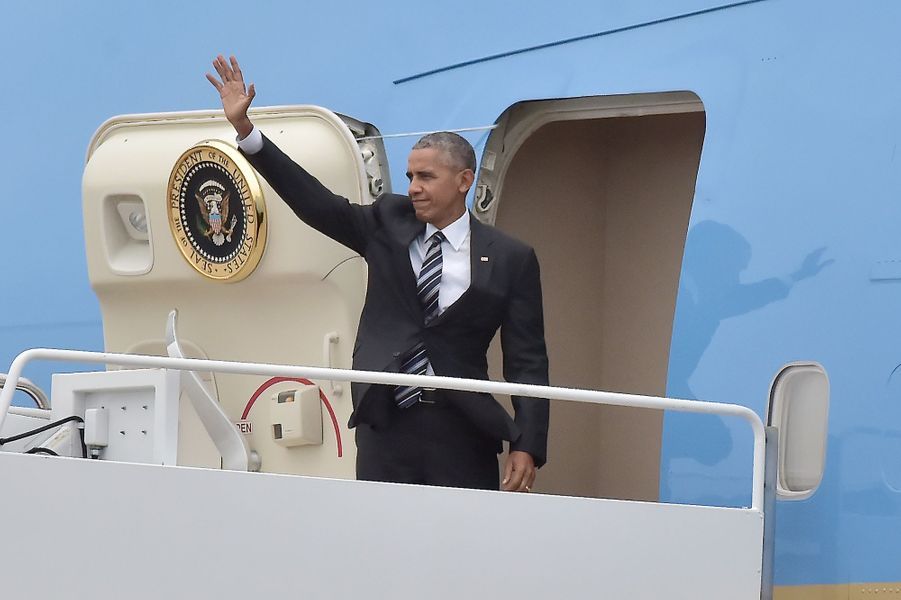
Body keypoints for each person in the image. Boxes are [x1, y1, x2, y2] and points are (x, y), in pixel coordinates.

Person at [207, 55, 549, 492]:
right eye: (410, 176)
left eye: (426, 176)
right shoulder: (388, 222)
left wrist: (528, 443)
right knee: (380, 546)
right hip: (386, 422)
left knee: (462, 548)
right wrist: (247, 133)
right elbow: (315, 204)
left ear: (464, 181)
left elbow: (528, 362)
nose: (414, 187)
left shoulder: (511, 258)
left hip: (464, 429)